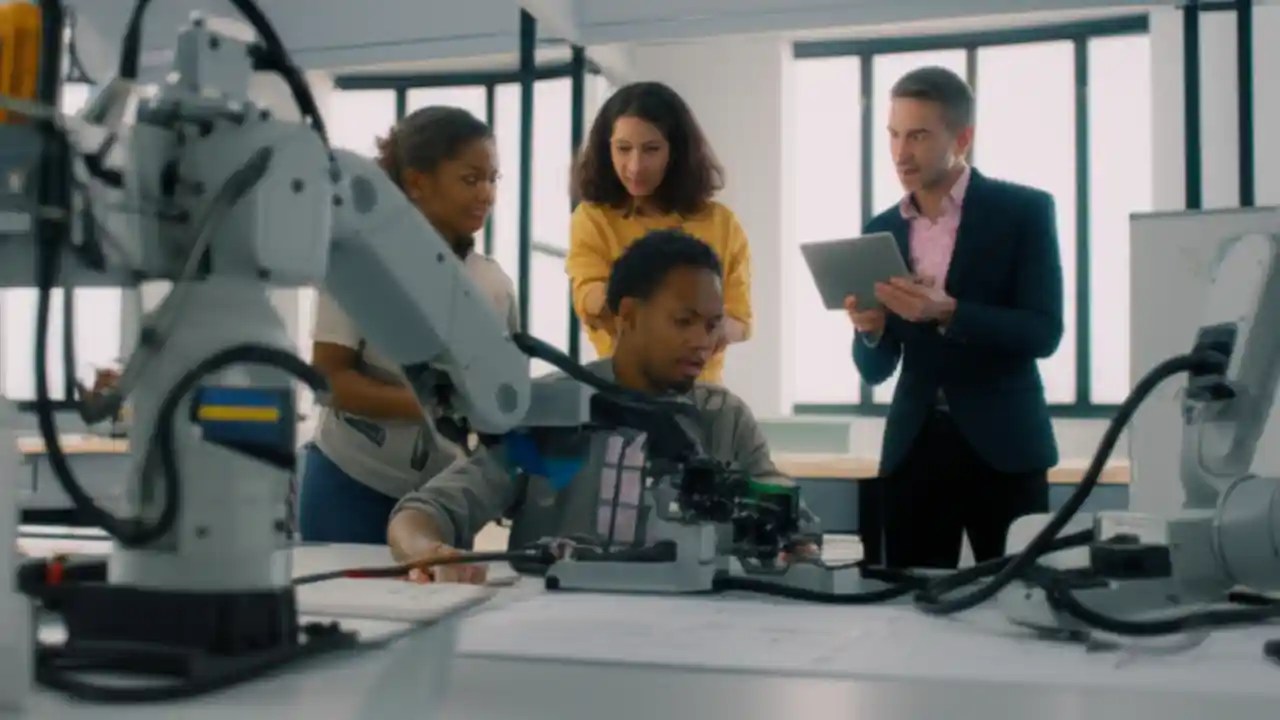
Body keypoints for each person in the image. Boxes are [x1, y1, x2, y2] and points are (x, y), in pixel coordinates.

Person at [388, 229, 812, 582]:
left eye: (711, 324)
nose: (703, 341)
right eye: (683, 322)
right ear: (627, 314)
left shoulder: (723, 419)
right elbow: (422, 513)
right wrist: (427, 551)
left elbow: (791, 516)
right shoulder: (552, 410)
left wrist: (795, 544)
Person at [845, 66, 1063, 570]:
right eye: (894, 135)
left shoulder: (1023, 211)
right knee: (909, 611)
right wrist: (871, 333)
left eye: (918, 136)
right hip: (914, 447)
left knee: (1022, 598)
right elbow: (876, 370)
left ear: (962, 138)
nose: (901, 153)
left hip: (1005, 444)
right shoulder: (881, 230)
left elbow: (1043, 331)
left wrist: (950, 312)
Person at [300, 106, 518, 545]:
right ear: (418, 183)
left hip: (440, 500)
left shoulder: (493, 285)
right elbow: (329, 381)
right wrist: (435, 403)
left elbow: (501, 399)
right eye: (471, 179)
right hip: (348, 486)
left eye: (493, 179)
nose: (487, 194)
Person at [566, 81, 752, 385]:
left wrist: (706, 329)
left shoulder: (722, 224)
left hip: (699, 395)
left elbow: (741, 320)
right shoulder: (592, 219)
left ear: (675, 151)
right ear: (605, 149)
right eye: (623, 149)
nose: (635, 166)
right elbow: (587, 297)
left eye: (651, 149)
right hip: (625, 391)